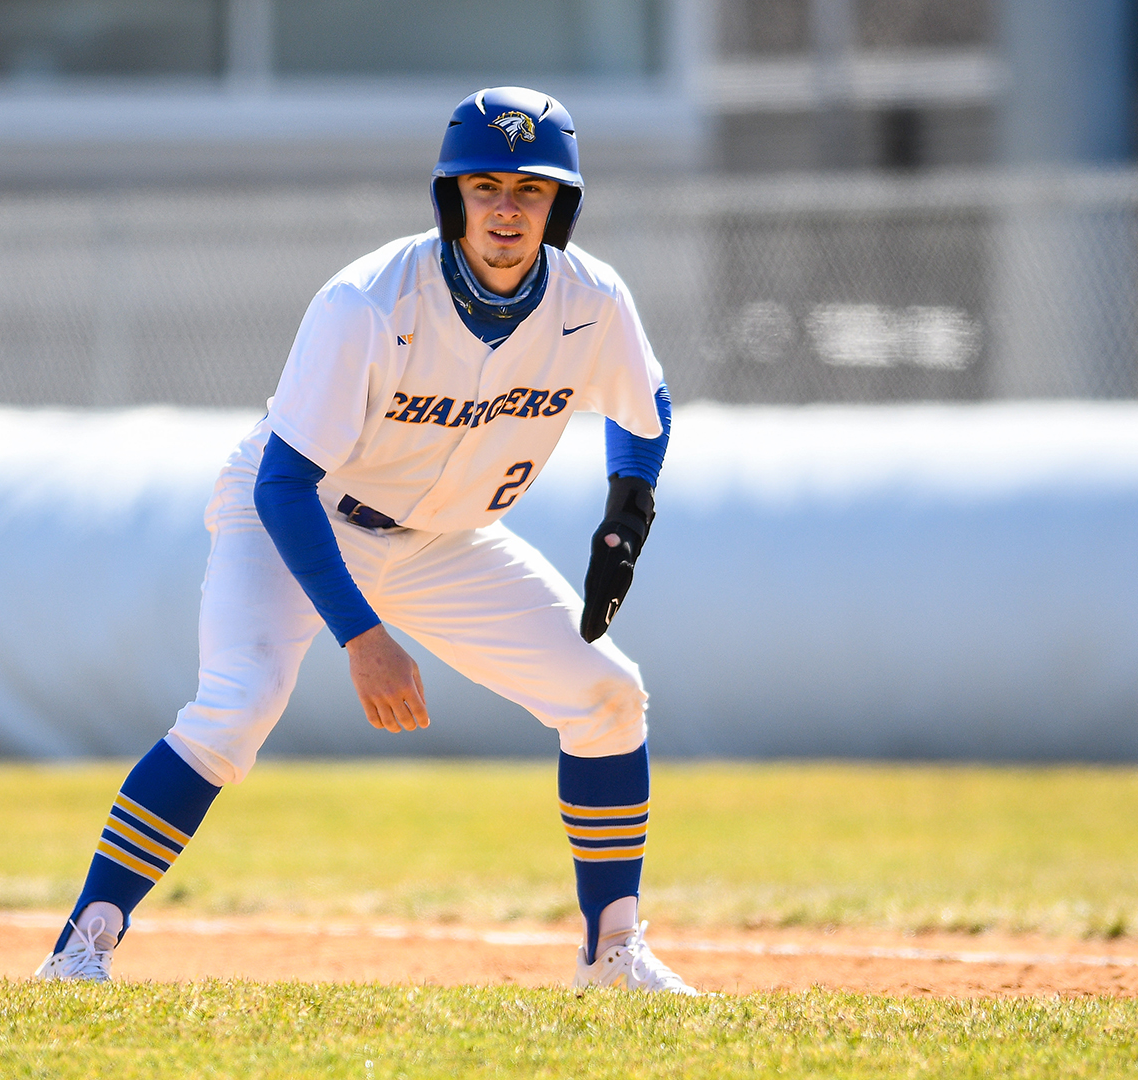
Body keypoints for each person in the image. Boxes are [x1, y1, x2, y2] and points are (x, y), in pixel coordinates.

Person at [34, 86, 696, 994]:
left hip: (447, 539)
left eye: (531, 191)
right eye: (487, 186)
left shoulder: (591, 299)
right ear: (452, 196)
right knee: (239, 706)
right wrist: (363, 636)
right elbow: (283, 481)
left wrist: (628, 513)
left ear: (561, 206)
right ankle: (82, 944)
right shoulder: (370, 300)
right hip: (298, 518)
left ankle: (613, 955)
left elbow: (643, 403)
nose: (507, 209)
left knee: (608, 697)